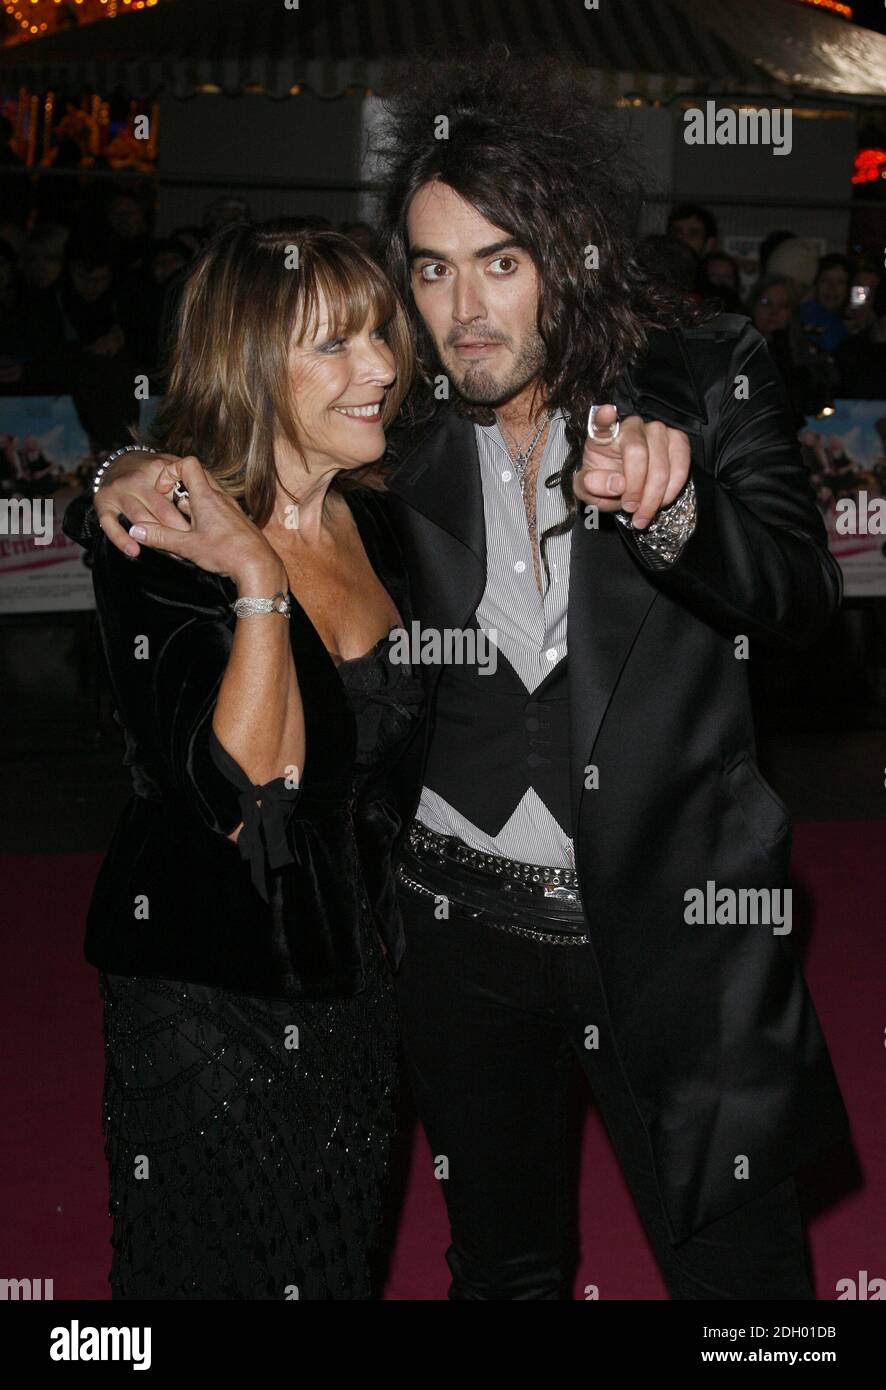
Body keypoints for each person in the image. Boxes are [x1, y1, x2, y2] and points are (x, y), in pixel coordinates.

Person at [93, 56, 850, 1300]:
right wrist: (127, 459)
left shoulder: (698, 378)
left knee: (742, 1279)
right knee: (503, 1269)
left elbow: (802, 599)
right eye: (432, 269)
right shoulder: (400, 425)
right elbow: (251, 402)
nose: (463, 309)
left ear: (571, 252)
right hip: (450, 932)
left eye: (500, 260)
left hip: (673, 922)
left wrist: (676, 515)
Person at [62, 222, 423, 1299]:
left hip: (356, 984)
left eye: (381, 335)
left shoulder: (384, 524)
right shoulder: (161, 540)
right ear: (249, 363)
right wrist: (257, 579)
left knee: (335, 1261)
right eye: (336, 346)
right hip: (209, 992)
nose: (383, 369)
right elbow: (248, 798)